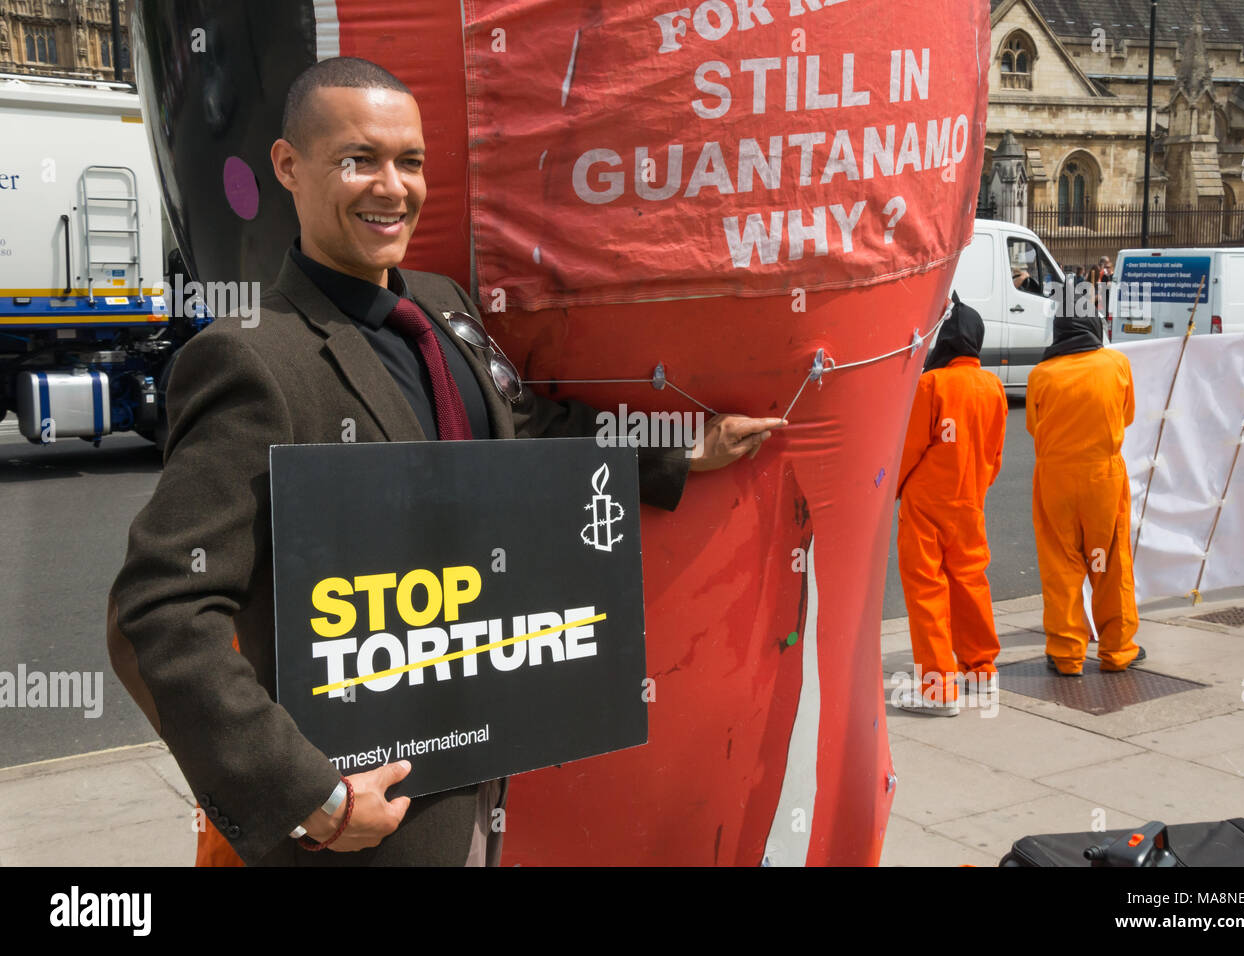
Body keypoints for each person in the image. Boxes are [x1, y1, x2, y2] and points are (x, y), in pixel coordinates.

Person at [106, 56, 785, 867]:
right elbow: (156, 614)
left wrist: (680, 450)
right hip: (365, 835)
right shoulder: (253, 360)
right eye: (358, 160)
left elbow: (528, 439)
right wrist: (308, 799)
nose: (391, 188)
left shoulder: (443, 306)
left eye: (410, 161)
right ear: (289, 167)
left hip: (479, 783)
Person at [894, 293, 1007, 715]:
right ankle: (980, 671)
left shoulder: (931, 383)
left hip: (927, 503)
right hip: (969, 502)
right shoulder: (993, 386)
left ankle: (939, 688)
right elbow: (995, 455)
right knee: (970, 582)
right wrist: (975, 487)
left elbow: (908, 448)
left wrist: (894, 490)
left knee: (927, 588)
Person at [1026, 307, 1143, 676]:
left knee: (1061, 564)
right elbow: (1126, 416)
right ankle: (1118, 649)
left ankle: (1065, 653)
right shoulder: (1117, 363)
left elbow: (1033, 426)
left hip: (1055, 477)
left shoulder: (1041, 374)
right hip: (1103, 476)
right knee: (1110, 562)